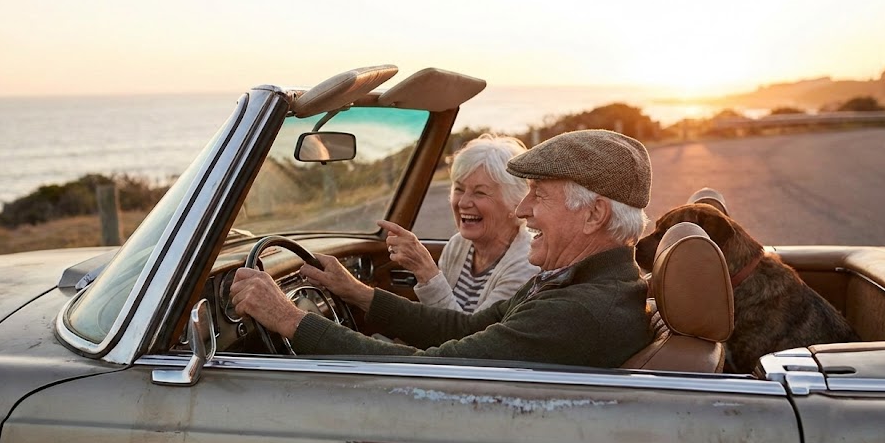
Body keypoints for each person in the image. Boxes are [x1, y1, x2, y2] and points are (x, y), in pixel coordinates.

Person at [231, 129, 654, 368]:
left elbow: (429, 367)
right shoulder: (574, 283)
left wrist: (289, 318)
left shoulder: (578, 309)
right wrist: (359, 293)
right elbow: (463, 331)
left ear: (594, 215)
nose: (523, 209)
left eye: (539, 195)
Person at [381, 133, 539, 313]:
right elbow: (433, 321)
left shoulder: (527, 265)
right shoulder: (458, 245)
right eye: (459, 189)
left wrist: (427, 273)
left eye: (480, 193)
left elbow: (474, 337)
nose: (463, 202)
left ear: (516, 203)